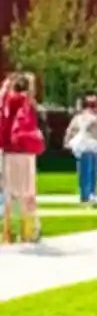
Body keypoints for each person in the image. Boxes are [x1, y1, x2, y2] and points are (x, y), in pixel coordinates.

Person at [0, 74, 45, 243]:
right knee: (27, 191)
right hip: (26, 151)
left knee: (9, 192)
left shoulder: (7, 101)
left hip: (9, 151)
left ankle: (6, 232)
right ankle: (27, 231)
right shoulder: (29, 103)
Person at [64, 93, 97, 206]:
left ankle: (89, 195)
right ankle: (86, 195)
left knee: (91, 171)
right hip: (85, 146)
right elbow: (71, 130)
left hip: (92, 146)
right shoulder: (83, 118)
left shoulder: (95, 118)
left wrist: (68, 141)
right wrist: (68, 140)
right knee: (87, 171)